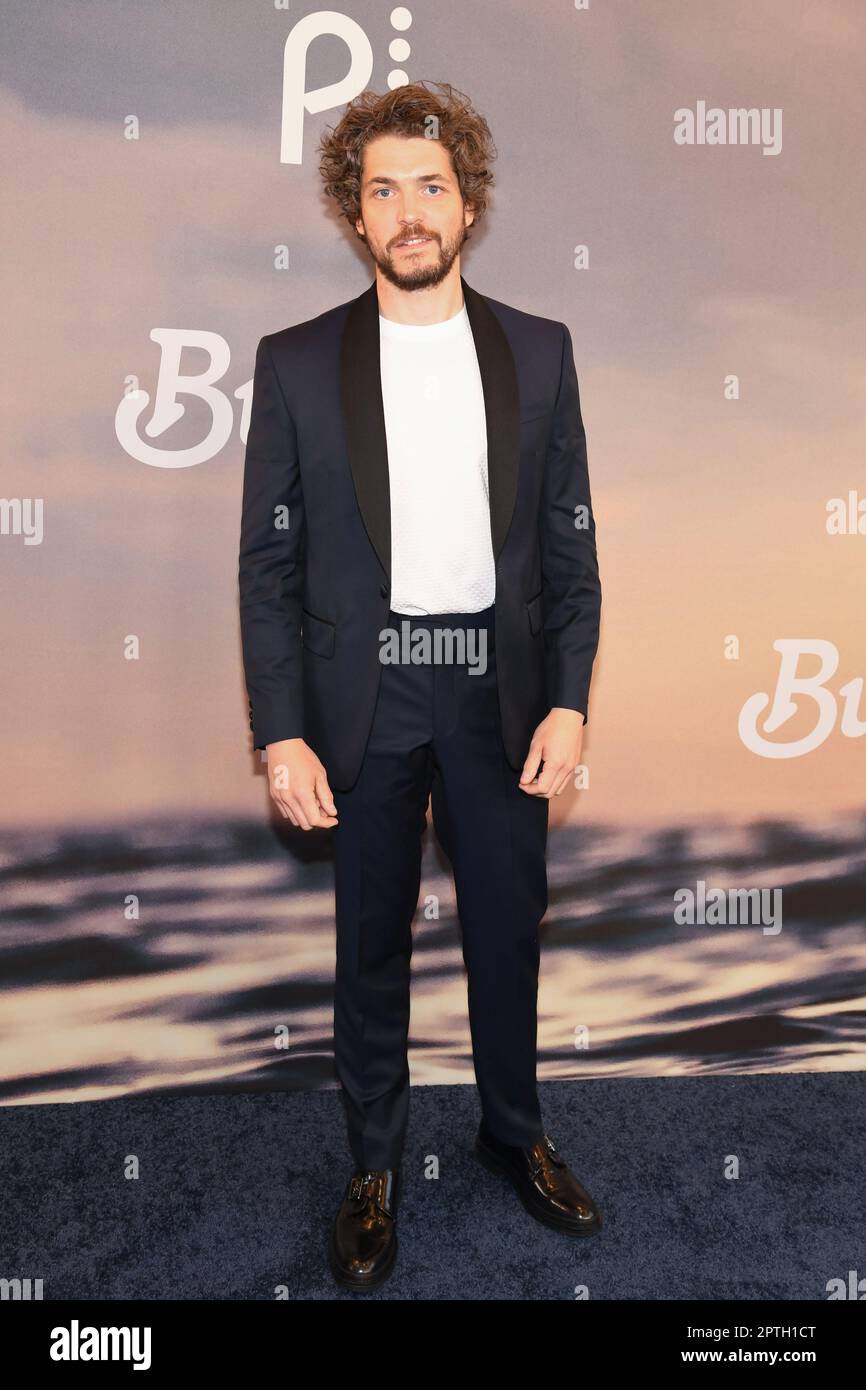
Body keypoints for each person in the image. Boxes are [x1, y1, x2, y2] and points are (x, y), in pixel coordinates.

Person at [238, 80, 603, 1292]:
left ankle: (511, 1133)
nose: (408, 212)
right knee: (368, 945)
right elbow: (269, 565)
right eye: (382, 189)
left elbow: (567, 548)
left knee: (507, 929)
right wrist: (279, 735)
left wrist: (567, 699)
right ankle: (372, 1171)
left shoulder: (540, 351)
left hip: (499, 684)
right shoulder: (293, 363)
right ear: (354, 212)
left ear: (467, 205)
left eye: (429, 188)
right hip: (368, 690)